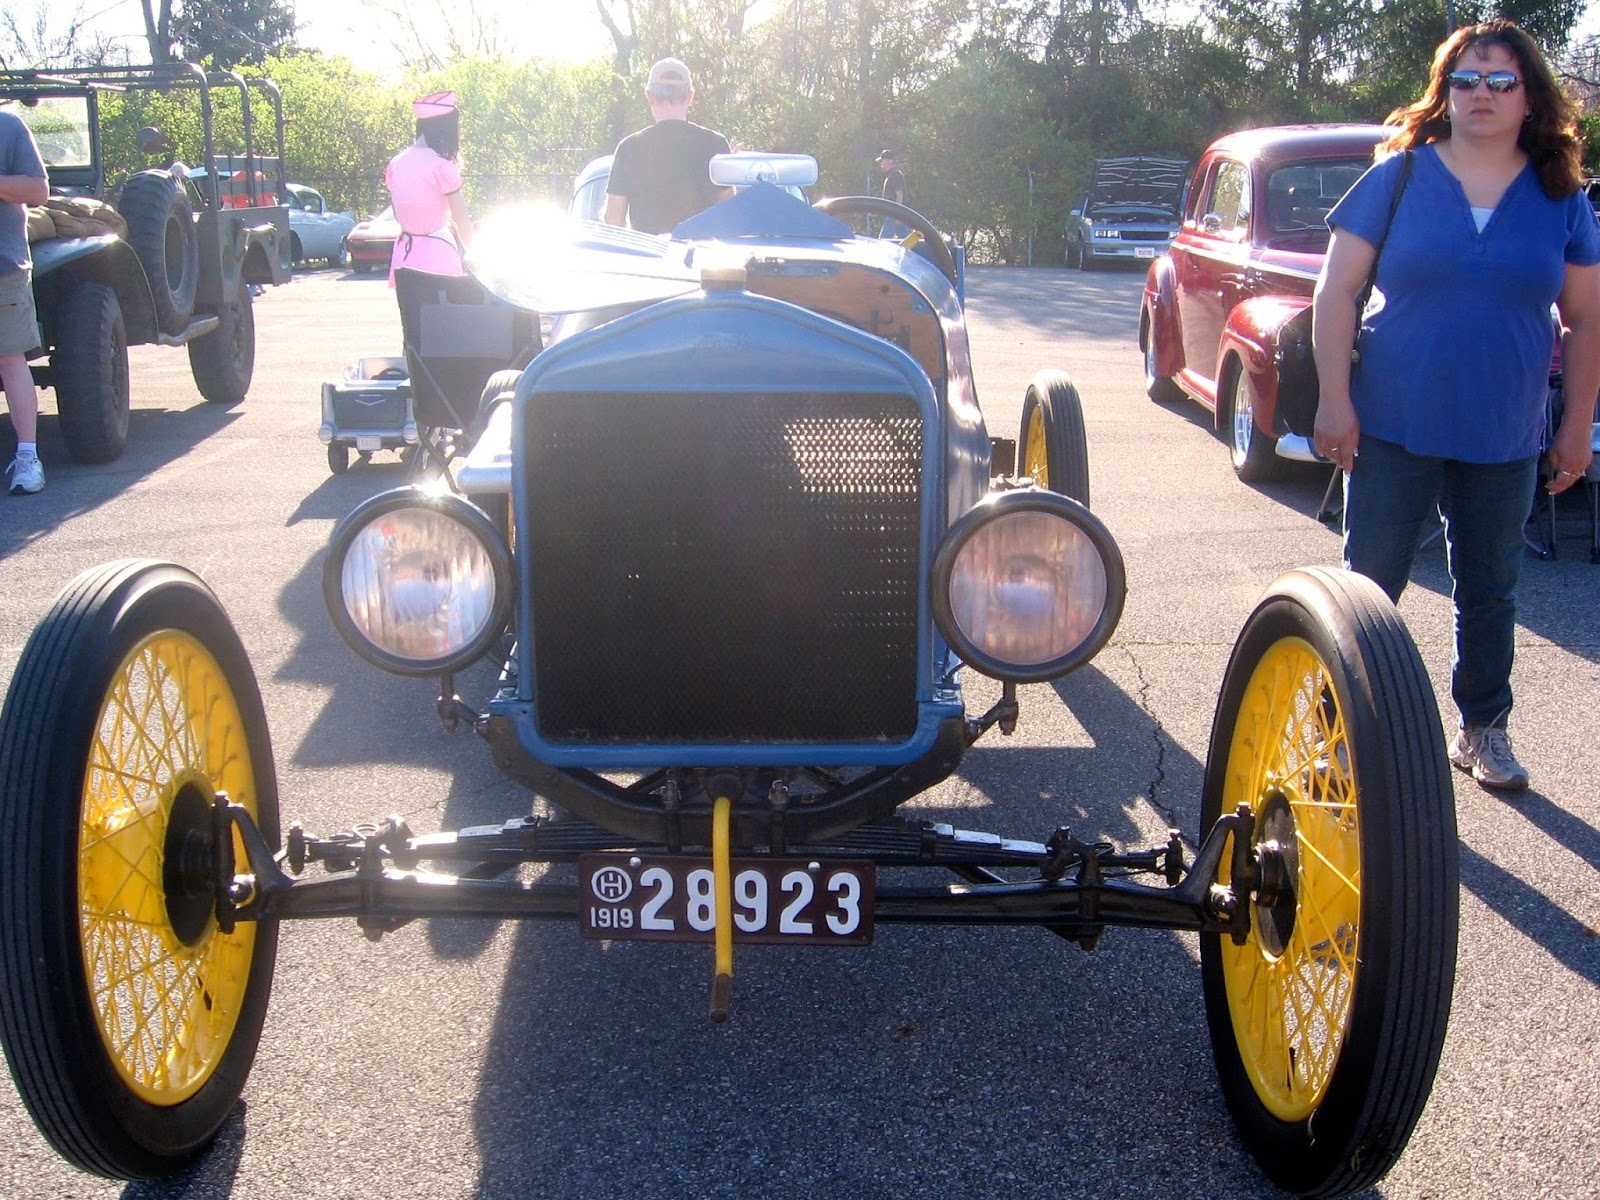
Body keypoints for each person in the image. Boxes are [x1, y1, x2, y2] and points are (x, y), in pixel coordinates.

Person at [1312, 19, 1600, 792]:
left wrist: (1576, 429)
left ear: (1530, 97)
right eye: (1467, 80)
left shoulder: (1559, 199)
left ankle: (1484, 730)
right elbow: (1336, 292)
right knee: (1370, 585)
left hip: (1504, 431)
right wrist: (1335, 400)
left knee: (1490, 587)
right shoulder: (1400, 177)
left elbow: (1585, 319)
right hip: (1393, 421)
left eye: (1501, 81)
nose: (1482, 94)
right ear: (1446, 90)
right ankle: (1336, 734)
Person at [603, 58, 733, 235]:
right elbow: (729, 216)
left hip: (649, 259)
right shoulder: (715, 144)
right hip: (703, 259)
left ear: (649, 97)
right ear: (690, 96)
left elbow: (613, 221)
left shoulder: (629, 148)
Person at [0, 106, 49, 496]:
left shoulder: (8, 126)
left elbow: (37, 190)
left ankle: (28, 459)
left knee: (10, 360)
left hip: (3, 266)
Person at [384, 91, 473, 285]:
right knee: (444, 314)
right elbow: (463, 223)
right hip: (439, 257)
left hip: (404, 257)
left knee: (412, 315)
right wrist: (477, 257)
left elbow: (400, 214)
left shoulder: (396, 164)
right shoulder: (442, 167)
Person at [876, 148, 909, 239]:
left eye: (882, 160)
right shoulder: (891, 174)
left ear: (889, 161)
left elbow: (899, 194)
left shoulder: (895, 175)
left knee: (883, 241)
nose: (881, 163)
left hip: (893, 213)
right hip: (892, 213)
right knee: (905, 240)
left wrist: (897, 214)